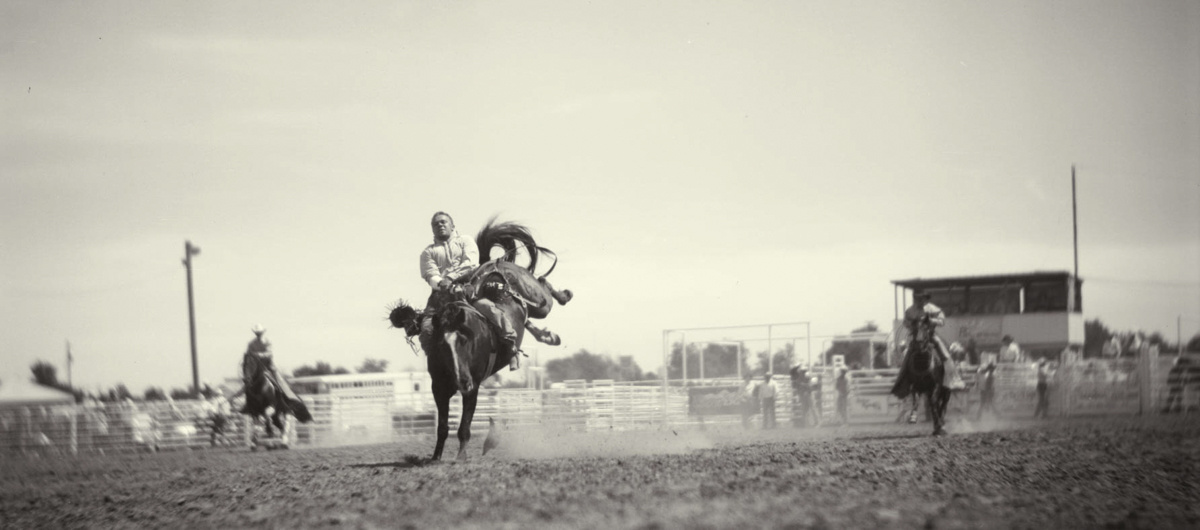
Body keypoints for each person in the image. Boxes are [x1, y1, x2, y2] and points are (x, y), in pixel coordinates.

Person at [419, 211, 520, 370]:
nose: (440, 225)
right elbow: (430, 274)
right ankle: (439, 365)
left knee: (490, 310)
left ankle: (511, 349)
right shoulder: (427, 252)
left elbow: (470, 264)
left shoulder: (466, 241)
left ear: (453, 226)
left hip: (468, 291)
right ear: (432, 229)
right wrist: (441, 284)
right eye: (435, 223)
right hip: (439, 298)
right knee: (426, 329)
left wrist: (450, 278)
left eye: (443, 222)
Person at [892, 292, 965, 394]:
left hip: (931, 336)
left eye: (921, 298)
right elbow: (905, 322)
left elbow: (942, 321)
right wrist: (912, 323)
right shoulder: (910, 311)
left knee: (946, 355)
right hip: (915, 338)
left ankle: (955, 380)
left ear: (925, 299)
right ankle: (902, 385)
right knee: (906, 357)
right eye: (917, 298)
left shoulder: (933, 309)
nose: (919, 300)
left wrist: (930, 320)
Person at [236, 325, 302, 410]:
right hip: (254, 365)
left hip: (267, 364)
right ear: (255, 333)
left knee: (278, 378)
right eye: (257, 333)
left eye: (259, 333)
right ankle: (247, 402)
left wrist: (259, 355)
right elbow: (248, 354)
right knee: (248, 380)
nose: (258, 334)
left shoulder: (267, 341)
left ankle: (289, 396)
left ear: (262, 333)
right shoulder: (251, 343)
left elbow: (269, 353)